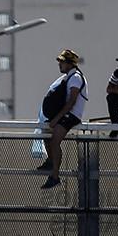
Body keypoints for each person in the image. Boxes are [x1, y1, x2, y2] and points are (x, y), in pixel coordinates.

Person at [36, 51, 86, 191]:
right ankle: (51, 161)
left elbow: (71, 102)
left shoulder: (75, 78)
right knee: (46, 133)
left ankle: (55, 177)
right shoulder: (67, 77)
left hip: (71, 115)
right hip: (64, 114)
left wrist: (57, 118)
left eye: (62, 62)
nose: (60, 64)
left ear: (70, 64)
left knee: (54, 141)